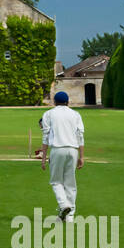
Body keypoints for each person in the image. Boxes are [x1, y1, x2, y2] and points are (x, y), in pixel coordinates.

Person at [41, 91, 84, 222]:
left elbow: (46, 136)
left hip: (57, 149)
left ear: (54, 102)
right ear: (68, 102)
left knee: (56, 181)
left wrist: (43, 157)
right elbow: (80, 136)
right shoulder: (75, 114)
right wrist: (81, 156)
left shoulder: (49, 114)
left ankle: (64, 205)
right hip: (73, 150)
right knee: (70, 183)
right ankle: (69, 216)